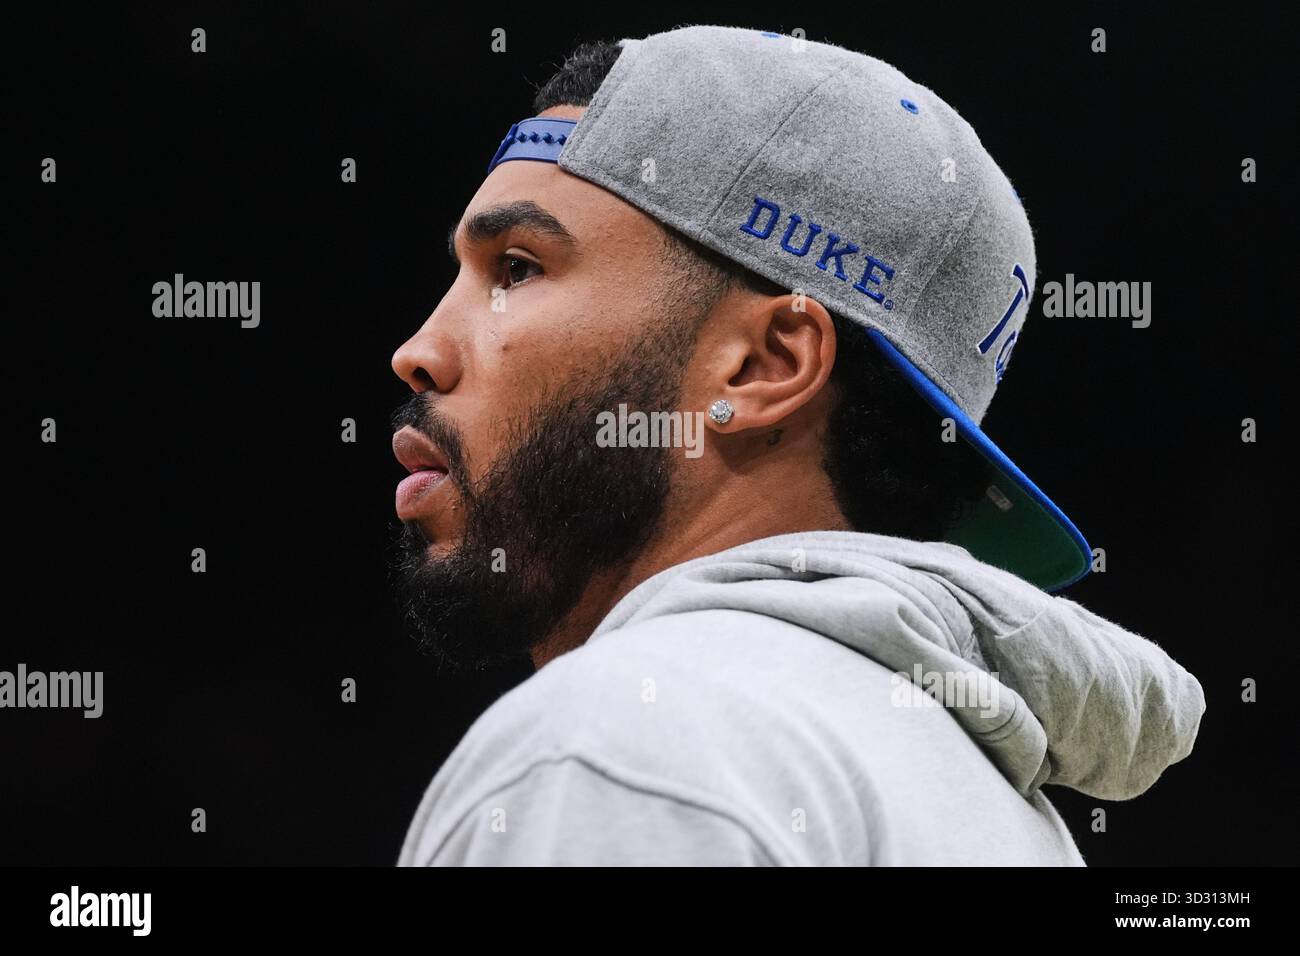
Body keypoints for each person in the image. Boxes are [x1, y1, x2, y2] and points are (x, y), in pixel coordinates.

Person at [389, 25, 1205, 865]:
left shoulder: (617, 750)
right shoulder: (1005, 815)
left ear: (765, 363)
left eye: (516, 269)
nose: (418, 349)